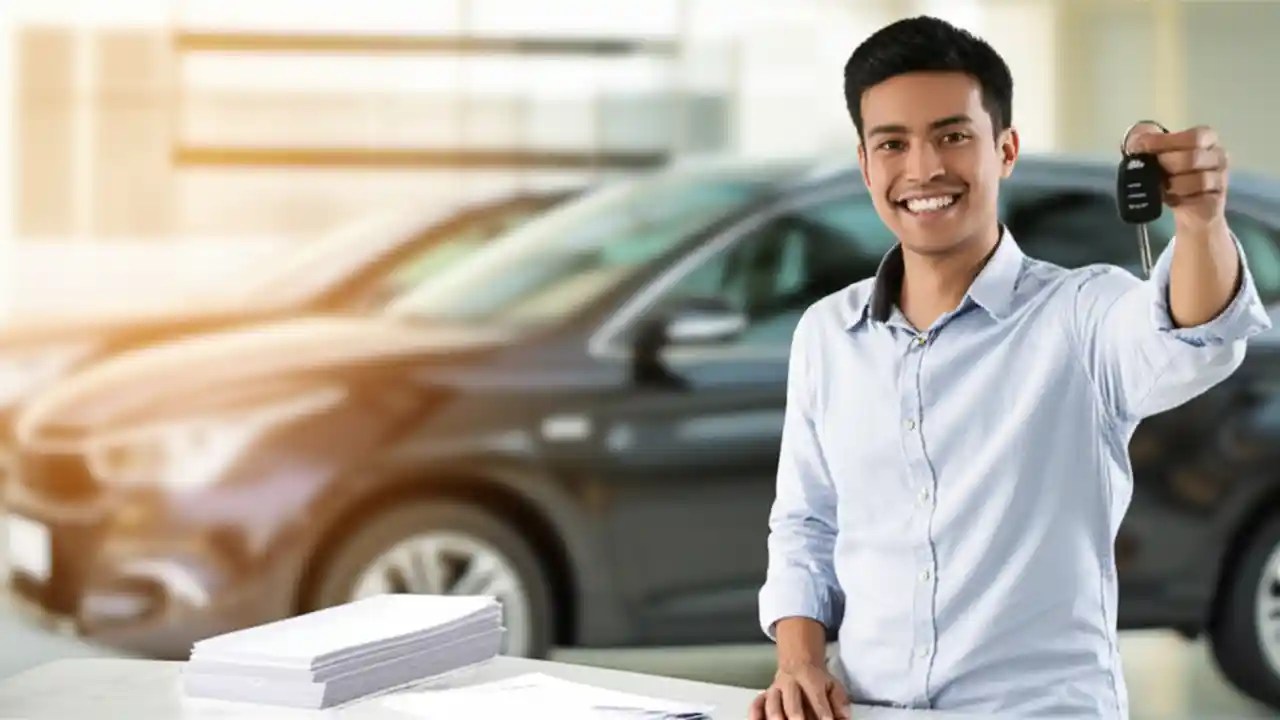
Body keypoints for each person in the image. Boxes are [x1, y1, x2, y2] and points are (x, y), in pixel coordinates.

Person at [750, 15, 1272, 720]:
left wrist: (1200, 223)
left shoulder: (1082, 313)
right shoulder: (827, 335)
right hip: (866, 710)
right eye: (893, 144)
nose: (924, 168)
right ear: (866, 165)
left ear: (1006, 149)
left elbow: (1193, 335)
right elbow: (808, 523)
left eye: (953, 135)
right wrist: (801, 664)